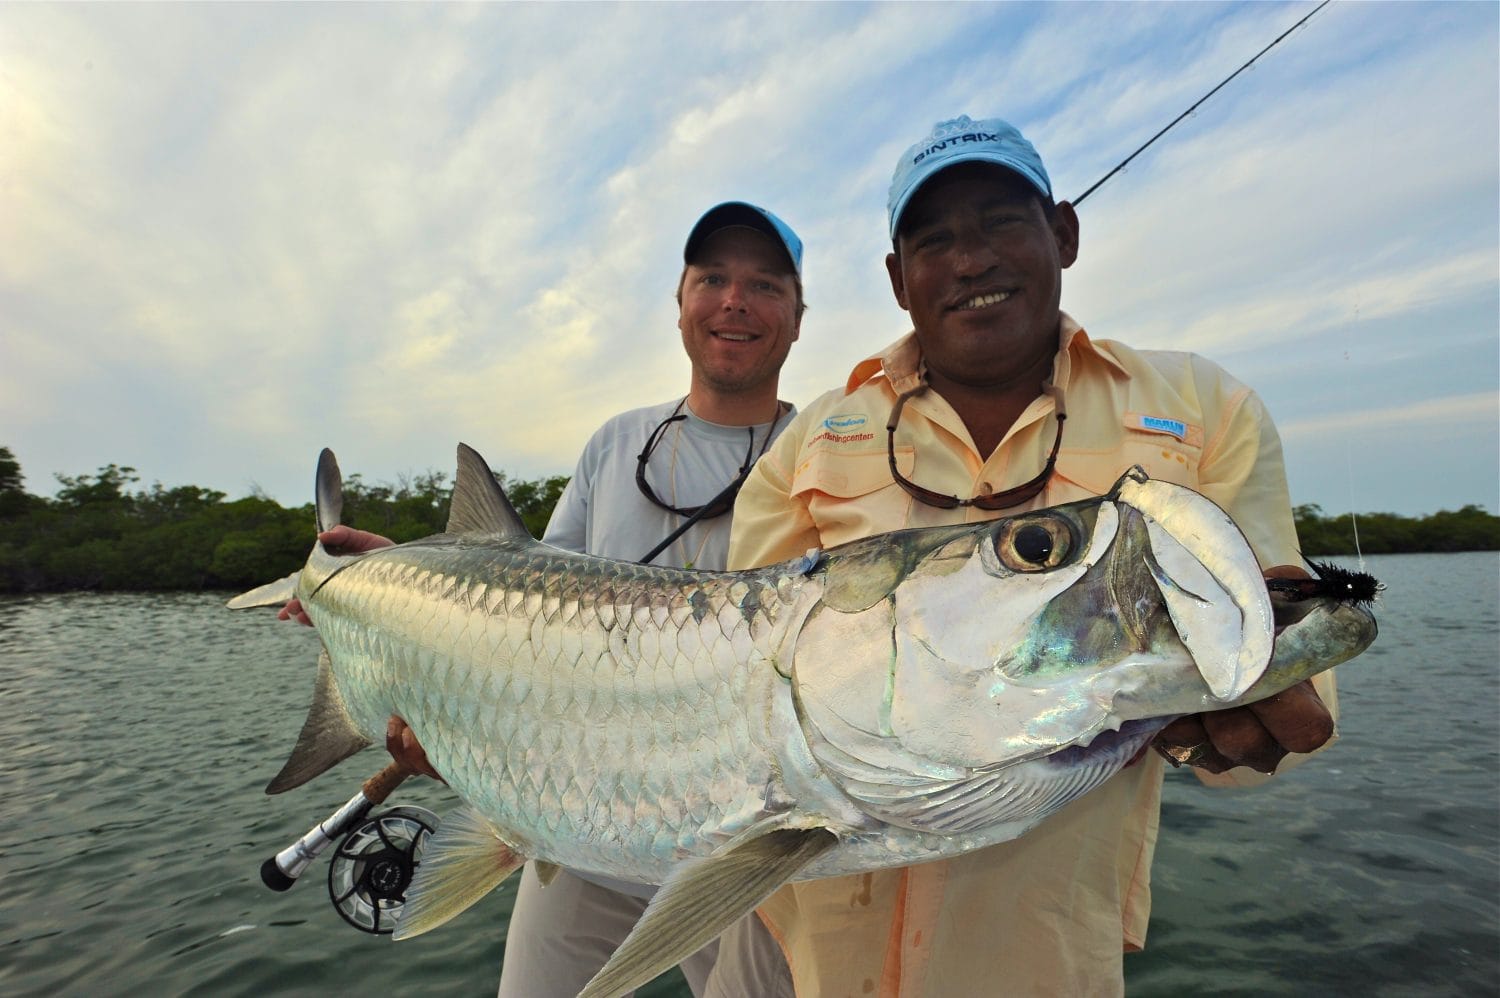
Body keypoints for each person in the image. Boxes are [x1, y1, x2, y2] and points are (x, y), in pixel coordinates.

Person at [724, 115, 1338, 996]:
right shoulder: (809, 442)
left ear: (1065, 233)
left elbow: (1285, 676)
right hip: (816, 947)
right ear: (898, 281)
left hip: (1042, 958)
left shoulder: (1205, 409)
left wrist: (1241, 730)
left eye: (1002, 222)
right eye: (933, 240)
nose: (970, 260)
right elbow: (742, 693)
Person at [285, 201, 804, 997]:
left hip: (749, 838)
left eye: (766, 283)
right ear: (679, 303)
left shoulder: (828, 455)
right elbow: (521, 599)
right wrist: (407, 592)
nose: (735, 300)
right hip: (575, 822)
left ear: (799, 316)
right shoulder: (616, 443)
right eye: (713, 279)